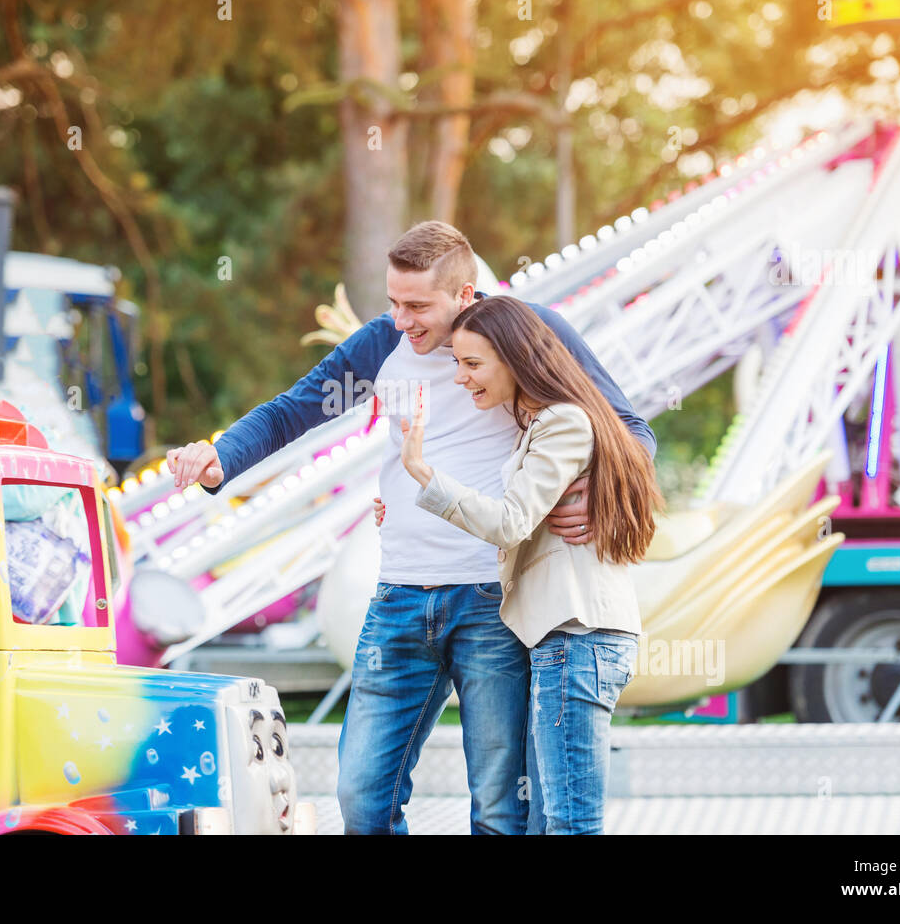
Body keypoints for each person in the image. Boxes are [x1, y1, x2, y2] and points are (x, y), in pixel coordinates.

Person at [167, 220, 655, 834]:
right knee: (363, 794)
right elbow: (292, 411)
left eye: (418, 305)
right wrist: (223, 455)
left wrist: (599, 498)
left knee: (502, 805)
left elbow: (630, 430)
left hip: (493, 600)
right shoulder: (380, 346)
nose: (401, 319)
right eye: (393, 302)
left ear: (465, 295)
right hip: (399, 593)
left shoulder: (528, 334)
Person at [399, 295, 663, 833]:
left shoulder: (562, 423)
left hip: (576, 636)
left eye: (473, 364)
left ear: (517, 359)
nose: (461, 378)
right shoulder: (542, 425)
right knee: (555, 822)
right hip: (566, 640)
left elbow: (510, 522)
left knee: (569, 824)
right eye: (457, 363)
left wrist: (423, 475)